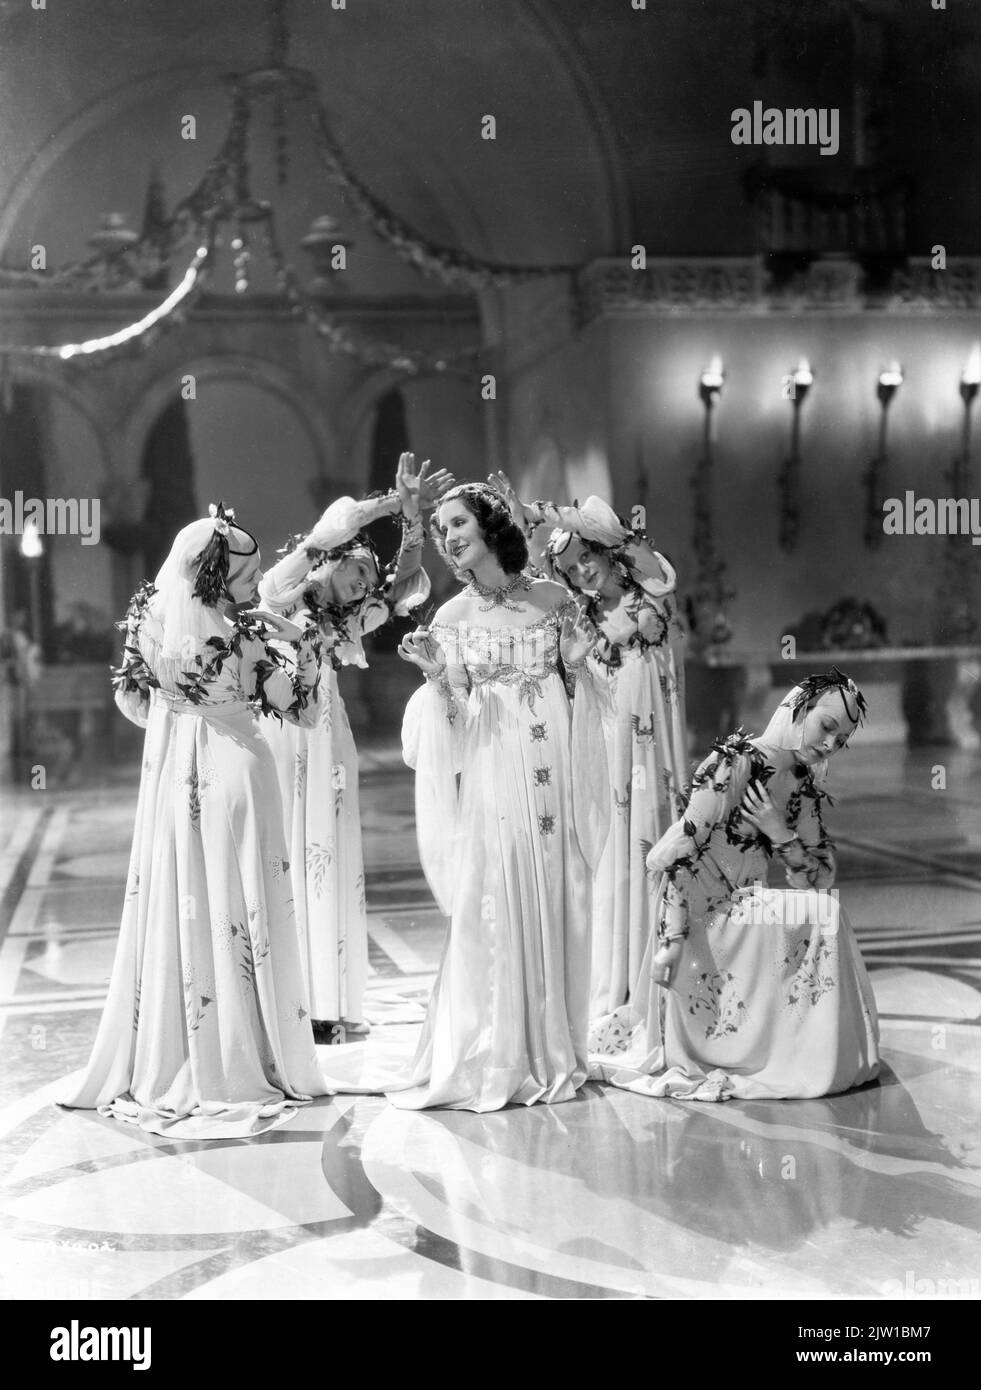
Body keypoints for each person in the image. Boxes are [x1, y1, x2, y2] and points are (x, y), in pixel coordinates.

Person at [63, 503, 327, 1139]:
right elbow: (305, 712)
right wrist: (305, 645)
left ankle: (181, 1051)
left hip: (176, 780)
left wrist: (179, 722)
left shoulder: (150, 619)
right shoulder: (247, 638)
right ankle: (250, 1055)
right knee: (249, 910)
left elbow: (131, 699)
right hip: (241, 774)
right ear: (214, 572)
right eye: (246, 572)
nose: (253, 581)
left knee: (187, 902)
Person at [392, 481, 609, 1111]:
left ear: (490, 526)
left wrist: (573, 668)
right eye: (441, 531)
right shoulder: (451, 619)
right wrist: (438, 680)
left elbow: (583, 694)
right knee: (498, 886)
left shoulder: (553, 599)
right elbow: (452, 729)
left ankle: (551, 1043)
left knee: (555, 883)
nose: (449, 538)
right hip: (493, 773)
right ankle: (499, 1044)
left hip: (552, 765)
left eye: (457, 524)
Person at [590, 668, 880, 1102]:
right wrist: (670, 939)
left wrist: (778, 832)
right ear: (799, 709)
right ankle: (789, 1056)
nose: (827, 745)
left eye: (839, 741)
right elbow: (678, 855)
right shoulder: (736, 762)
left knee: (827, 910)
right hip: (701, 914)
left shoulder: (799, 783)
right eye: (826, 727)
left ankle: (809, 1054)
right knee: (825, 913)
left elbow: (819, 878)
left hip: (747, 905)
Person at [257, 453, 453, 1041]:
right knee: (280, 843)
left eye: (370, 581)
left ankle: (326, 1001)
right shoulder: (281, 587)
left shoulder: (350, 621)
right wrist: (394, 503)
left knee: (324, 848)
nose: (366, 586)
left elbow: (400, 587)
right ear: (334, 561)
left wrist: (414, 524)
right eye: (359, 572)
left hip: (325, 734)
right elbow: (330, 530)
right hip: (275, 726)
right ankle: (277, 996)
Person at [489, 475, 689, 1021]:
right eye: (571, 568)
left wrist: (541, 512)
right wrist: (524, 529)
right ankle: (616, 975)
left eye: (585, 558)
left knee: (651, 833)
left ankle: (657, 966)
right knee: (611, 844)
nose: (582, 571)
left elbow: (618, 532)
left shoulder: (651, 586)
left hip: (652, 746)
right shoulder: (578, 617)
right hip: (604, 743)